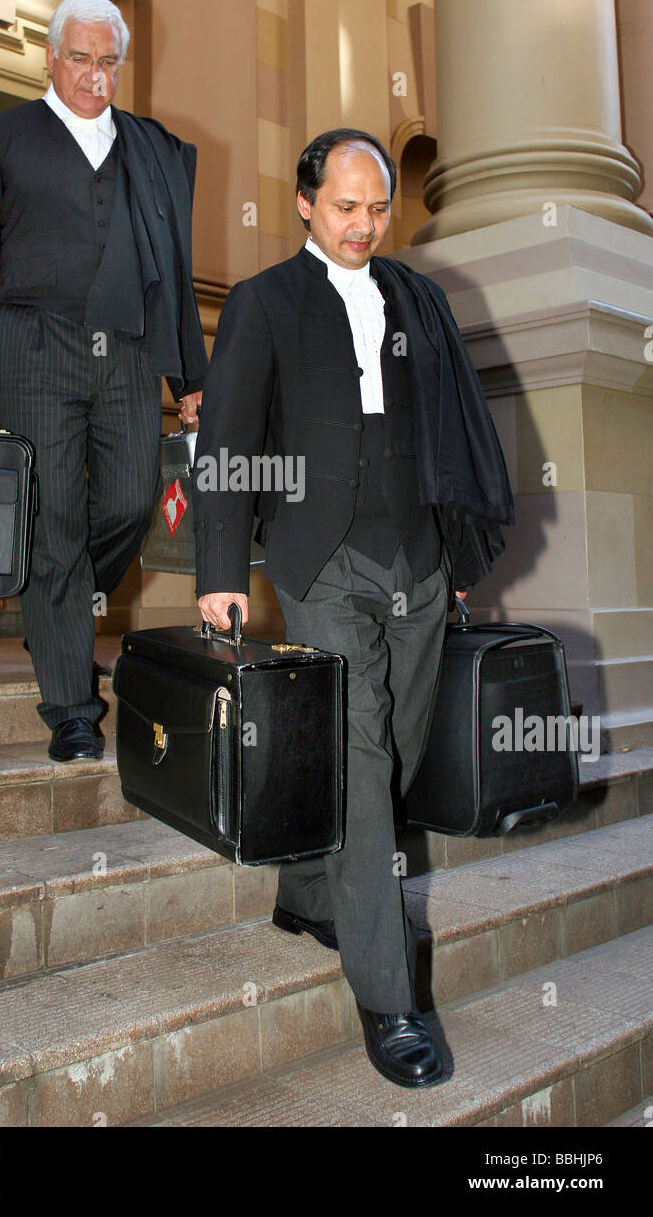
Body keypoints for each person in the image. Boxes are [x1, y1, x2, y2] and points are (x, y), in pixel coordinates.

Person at [193, 128, 513, 1088]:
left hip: (416, 552)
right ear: (303, 203)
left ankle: (306, 890)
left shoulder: (417, 297)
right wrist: (219, 569)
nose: (365, 225)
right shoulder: (265, 302)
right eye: (345, 207)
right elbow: (230, 441)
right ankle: (390, 1000)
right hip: (320, 555)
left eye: (378, 209)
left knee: (398, 747)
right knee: (363, 753)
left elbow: (452, 426)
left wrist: (456, 550)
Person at [0, 0, 208, 762]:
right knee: (54, 520)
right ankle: (71, 709)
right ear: (51, 59)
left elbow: (173, 275)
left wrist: (188, 374)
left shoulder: (148, 149)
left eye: (108, 61)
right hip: (32, 344)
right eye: (81, 58)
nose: (94, 75)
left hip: (121, 348)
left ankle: (52, 609)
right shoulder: (3, 140)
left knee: (127, 497)